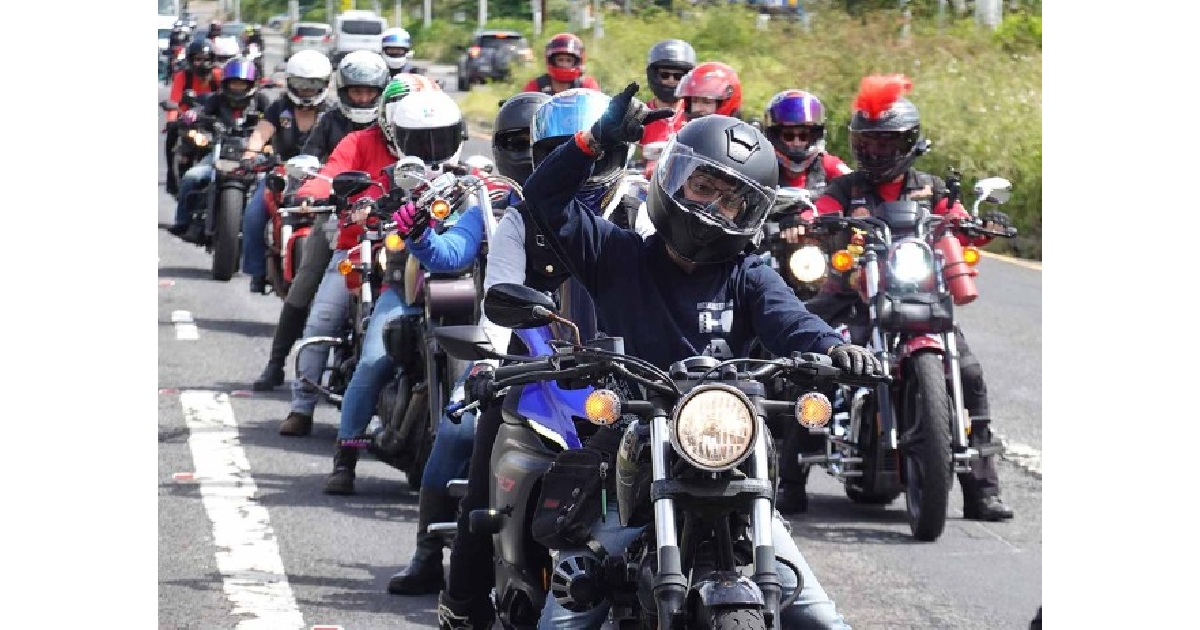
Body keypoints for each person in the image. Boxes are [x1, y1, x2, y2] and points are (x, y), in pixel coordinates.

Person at [437, 84, 880, 630]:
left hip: (725, 448)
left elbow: (796, 324)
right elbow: (544, 201)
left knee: (819, 617)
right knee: (570, 613)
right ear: (673, 181)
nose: (711, 207)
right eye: (702, 186)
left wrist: (837, 348)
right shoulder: (616, 254)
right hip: (632, 445)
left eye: (729, 199)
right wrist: (591, 140)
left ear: (751, 213)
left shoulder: (749, 274)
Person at [805, 74, 1014, 521]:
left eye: (887, 143)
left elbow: (956, 219)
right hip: (854, 299)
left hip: (919, 298)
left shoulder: (931, 188)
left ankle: (982, 490)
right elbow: (817, 212)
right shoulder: (845, 190)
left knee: (970, 373)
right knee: (814, 363)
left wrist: (981, 226)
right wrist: (813, 222)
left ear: (908, 143)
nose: (877, 153)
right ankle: (789, 478)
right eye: (870, 143)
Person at [385, 91, 549, 598]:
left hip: (582, 345)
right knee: (459, 433)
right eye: (522, 142)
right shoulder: (492, 201)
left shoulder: (607, 204)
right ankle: (428, 554)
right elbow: (450, 254)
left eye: (545, 142)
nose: (534, 152)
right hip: (505, 342)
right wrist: (419, 236)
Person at [314, 86, 486, 496]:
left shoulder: (476, 180)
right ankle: (347, 452)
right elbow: (362, 203)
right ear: (398, 136)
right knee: (374, 360)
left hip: (468, 290)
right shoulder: (394, 179)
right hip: (406, 287)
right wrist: (367, 209)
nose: (431, 148)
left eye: (440, 137)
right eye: (419, 139)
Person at [253, 51, 391, 393]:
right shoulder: (330, 122)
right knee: (306, 282)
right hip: (337, 218)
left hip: (390, 222)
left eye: (369, 92)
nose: (362, 98)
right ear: (343, 91)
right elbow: (315, 163)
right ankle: (276, 363)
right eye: (356, 91)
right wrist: (307, 192)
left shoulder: (397, 126)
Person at [239, 49, 334, 294]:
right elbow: (261, 132)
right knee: (253, 214)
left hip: (323, 176)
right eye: (301, 85)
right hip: (281, 172)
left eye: (313, 85)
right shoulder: (278, 108)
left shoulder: (332, 113)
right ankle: (257, 271)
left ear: (324, 84)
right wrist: (251, 153)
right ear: (290, 83)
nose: (306, 90)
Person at [167, 57, 273, 241]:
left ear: (251, 84)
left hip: (252, 156)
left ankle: (269, 232)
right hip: (220, 152)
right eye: (234, 84)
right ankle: (183, 222)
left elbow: (274, 118)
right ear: (226, 83)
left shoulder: (261, 101)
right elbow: (202, 111)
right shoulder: (216, 99)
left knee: (269, 188)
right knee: (192, 177)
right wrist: (193, 115)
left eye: (242, 84)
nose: (237, 88)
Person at [163, 39, 221, 195]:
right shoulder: (182, 76)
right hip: (187, 119)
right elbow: (174, 100)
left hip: (211, 119)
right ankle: (171, 176)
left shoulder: (218, 75)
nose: (202, 63)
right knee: (171, 136)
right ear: (190, 60)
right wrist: (172, 120)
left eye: (206, 59)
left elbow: (227, 97)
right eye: (197, 59)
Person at [639, 39, 695, 147]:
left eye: (678, 76)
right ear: (654, 76)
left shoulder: (695, 116)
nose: (671, 80)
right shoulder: (639, 117)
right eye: (665, 75)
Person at [668, 60, 743, 129]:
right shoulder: (680, 135)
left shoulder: (740, 139)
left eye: (707, 102)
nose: (698, 108)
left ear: (724, 104)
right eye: (694, 101)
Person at [522, 32, 600, 95]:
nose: (564, 64)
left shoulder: (587, 85)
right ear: (551, 60)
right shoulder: (536, 85)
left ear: (577, 62)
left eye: (569, 60)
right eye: (560, 60)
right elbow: (526, 109)